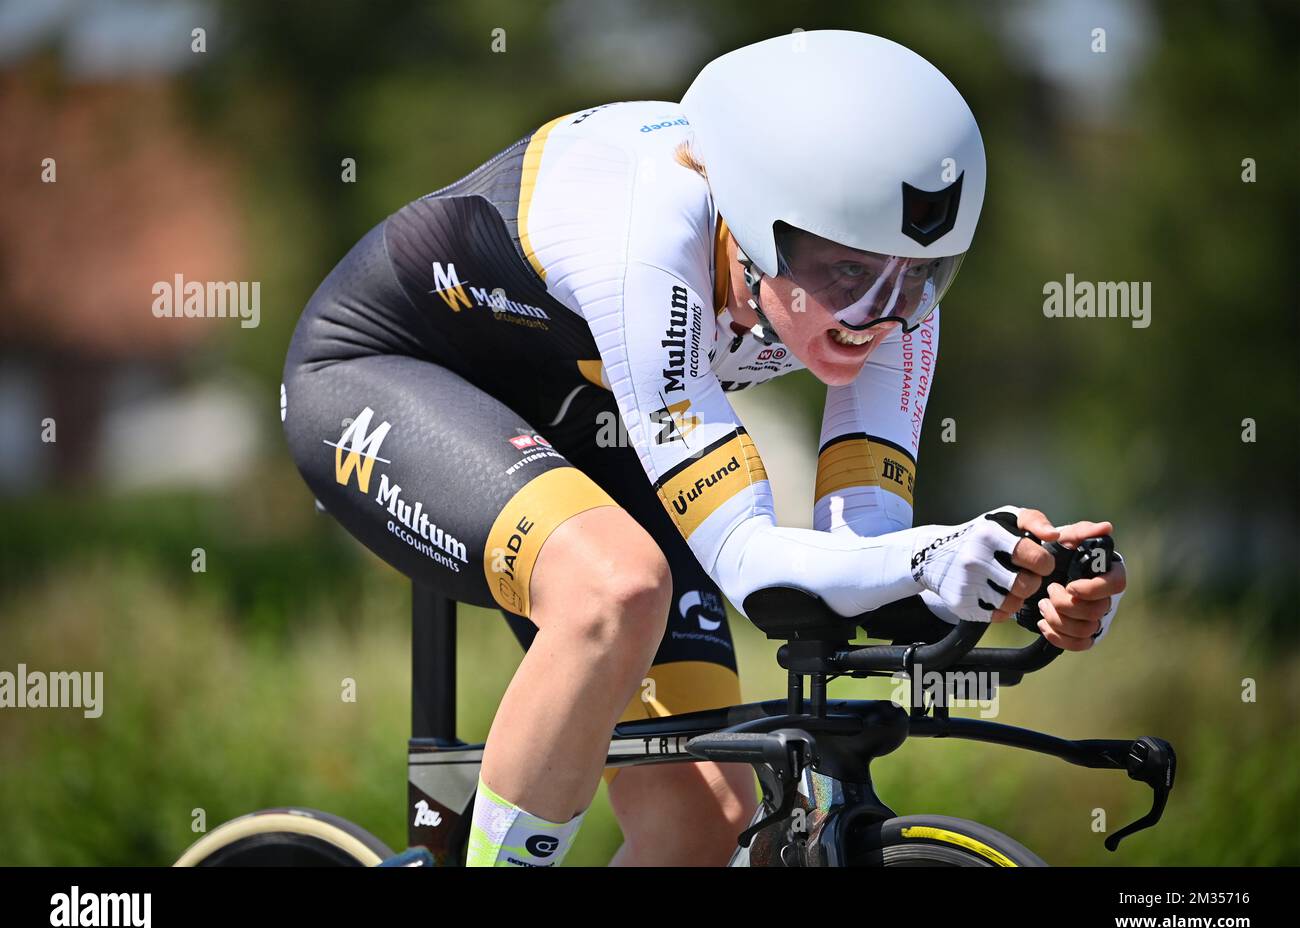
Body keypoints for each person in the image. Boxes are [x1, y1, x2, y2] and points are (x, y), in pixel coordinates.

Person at [280, 30, 1127, 867]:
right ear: (756, 225)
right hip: (386, 373)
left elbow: (859, 547)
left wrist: (1010, 567)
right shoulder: (650, 237)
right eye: (845, 272)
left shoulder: (890, 293)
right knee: (614, 589)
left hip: (590, 414)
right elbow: (752, 561)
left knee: (707, 825)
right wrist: (934, 557)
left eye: (919, 275)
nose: (883, 313)